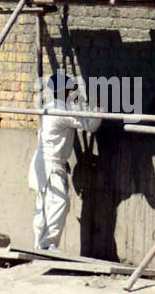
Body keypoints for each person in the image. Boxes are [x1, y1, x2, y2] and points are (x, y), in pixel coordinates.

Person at [27, 72, 102, 251]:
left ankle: (39, 244)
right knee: (60, 203)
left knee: (44, 205)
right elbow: (90, 125)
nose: (73, 93)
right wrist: (98, 106)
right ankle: (48, 244)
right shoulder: (62, 110)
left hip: (44, 160)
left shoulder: (51, 106)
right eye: (71, 89)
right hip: (51, 163)